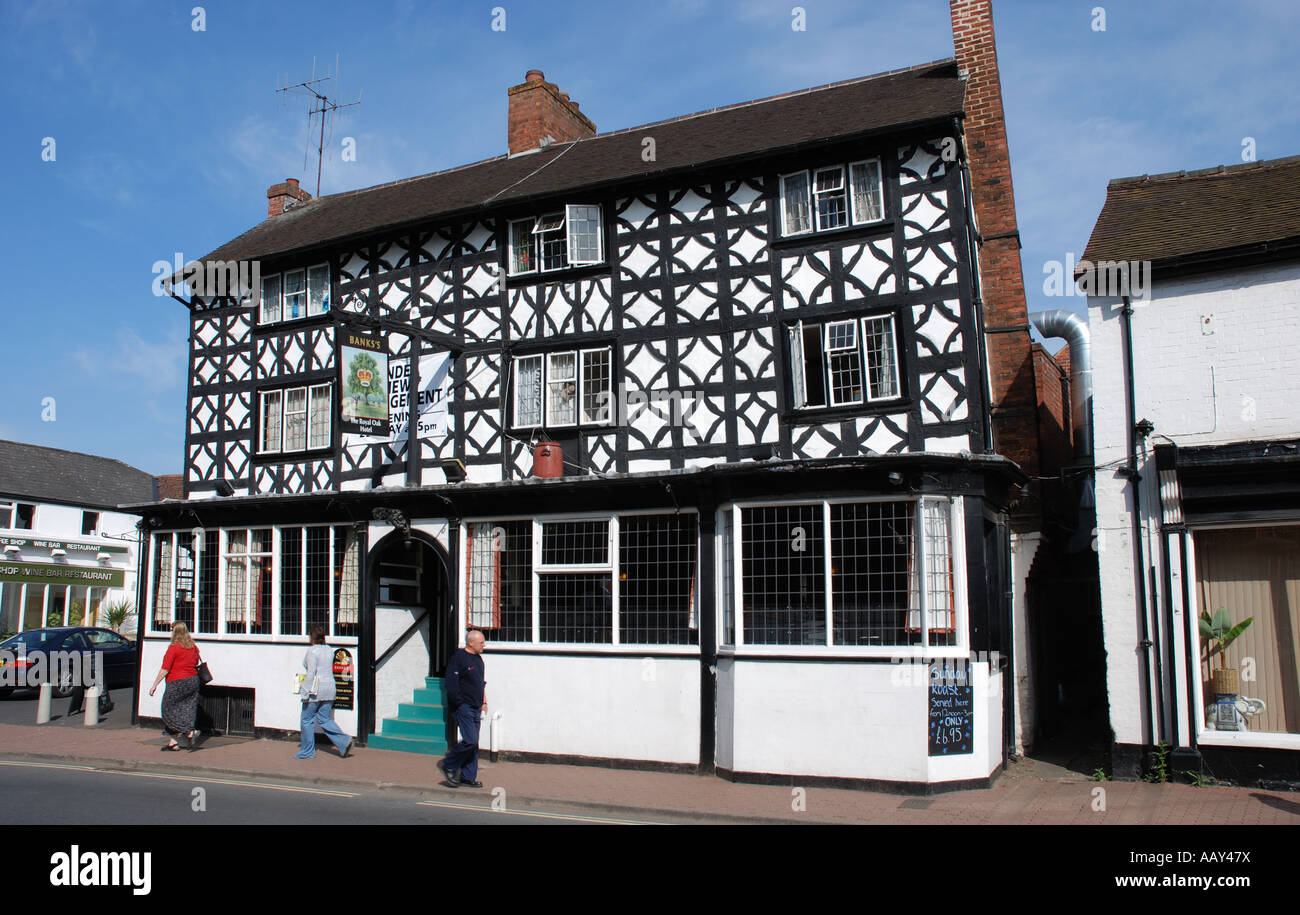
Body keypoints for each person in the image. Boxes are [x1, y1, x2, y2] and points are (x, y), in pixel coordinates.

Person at [437, 629, 487, 788]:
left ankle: (468, 777)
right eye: (481, 643)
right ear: (470, 643)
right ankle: (448, 764)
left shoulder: (479, 660)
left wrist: (484, 702)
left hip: (476, 706)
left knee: (474, 744)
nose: (483, 645)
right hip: (463, 706)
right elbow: (451, 684)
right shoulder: (458, 658)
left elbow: (480, 683)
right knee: (470, 740)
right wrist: (459, 703)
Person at [296, 624, 353, 759]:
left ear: (311, 636)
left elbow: (311, 673)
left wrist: (304, 691)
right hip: (330, 688)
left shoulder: (312, 651)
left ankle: (307, 751)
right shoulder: (329, 650)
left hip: (315, 690)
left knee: (307, 720)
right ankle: (344, 741)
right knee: (324, 719)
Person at [148, 622, 202, 751]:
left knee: (167, 709)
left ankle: (190, 732)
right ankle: (173, 742)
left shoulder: (174, 648)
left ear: (175, 632)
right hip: (193, 681)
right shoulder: (194, 647)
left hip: (177, 681)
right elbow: (195, 663)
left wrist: (154, 685)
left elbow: (165, 669)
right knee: (187, 708)